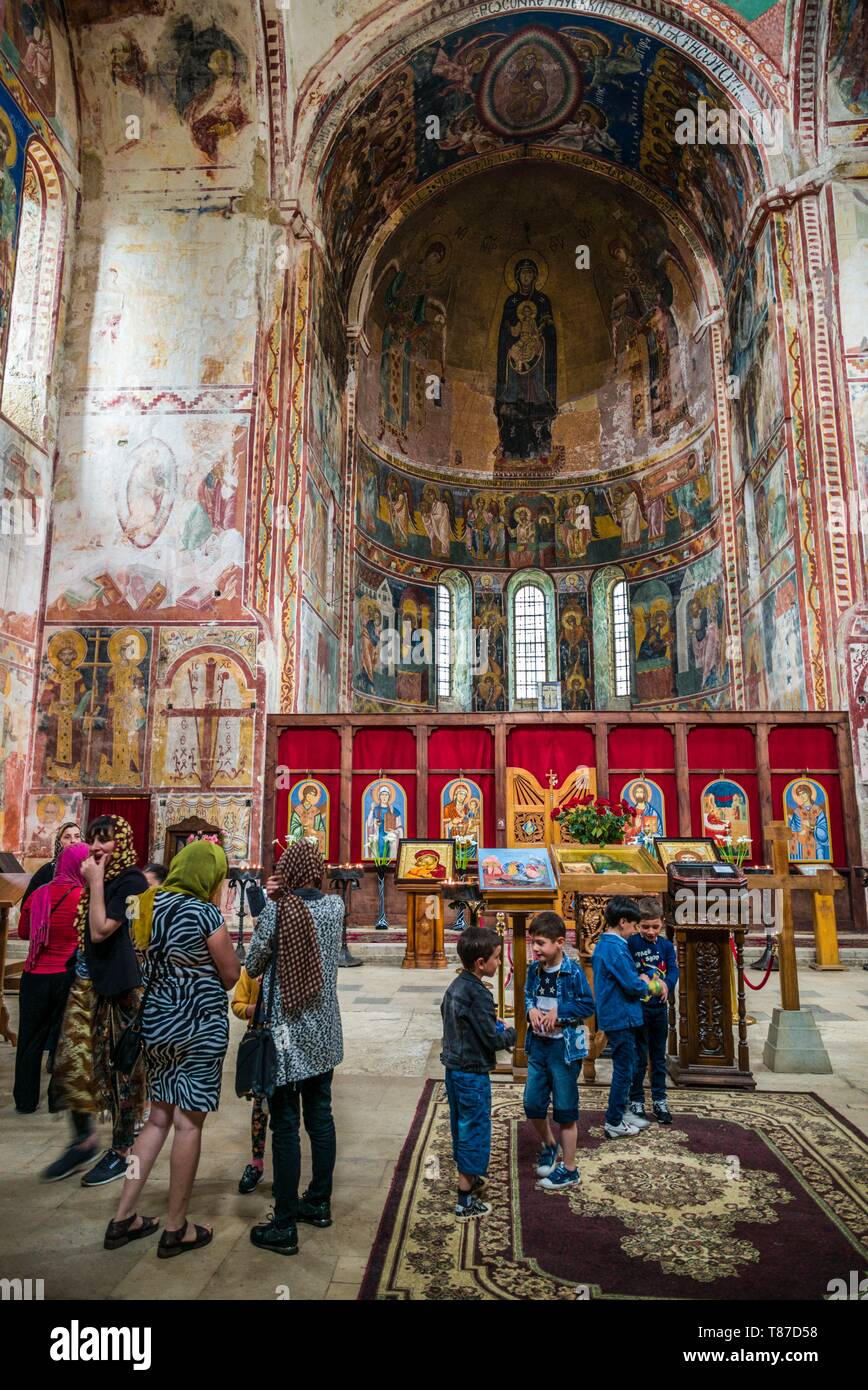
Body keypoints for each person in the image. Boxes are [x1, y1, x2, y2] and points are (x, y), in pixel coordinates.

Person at [104, 841, 240, 1255]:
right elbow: (231, 973)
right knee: (187, 1124)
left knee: (156, 1119)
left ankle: (123, 1215)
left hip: (157, 1023)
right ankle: (177, 1226)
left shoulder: (145, 906)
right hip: (199, 1025)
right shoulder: (204, 912)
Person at [245, 841, 345, 1256]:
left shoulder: (275, 911)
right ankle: (318, 1202)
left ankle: (284, 1222)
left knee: (284, 1124)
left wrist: (270, 904)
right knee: (320, 1115)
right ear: (317, 870)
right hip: (323, 1030)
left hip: (286, 1034)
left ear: (285, 871)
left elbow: (252, 965)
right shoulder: (335, 908)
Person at [45, 816, 149, 1185]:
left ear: (121, 842)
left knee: (124, 1074)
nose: (97, 846)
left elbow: (102, 930)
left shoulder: (131, 881)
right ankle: (83, 1139)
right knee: (71, 1065)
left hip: (118, 990)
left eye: (106, 839)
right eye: (93, 839)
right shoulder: (98, 879)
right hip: (85, 984)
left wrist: (94, 882)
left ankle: (122, 1151)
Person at [440, 925, 516, 1221]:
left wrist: (487, 1020)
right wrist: (510, 1032)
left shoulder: (457, 986)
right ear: (480, 963)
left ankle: (470, 1177)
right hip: (472, 1072)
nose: (500, 962)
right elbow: (493, 1040)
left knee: (461, 1124)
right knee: (474, 1127)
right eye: (497, 958)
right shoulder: (479, 995)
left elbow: (460, 1023)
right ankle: (464, 1199)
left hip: (454, 1068)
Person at [14, 843, 89, 1114]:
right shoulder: (84, 897)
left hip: (34, 974)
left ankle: (25, 1100)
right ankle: (57, 1099)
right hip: (67, 975)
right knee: (63, 1038)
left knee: (29, 1039)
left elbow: (24, 933)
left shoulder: (37, 895)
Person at [523, 912, 594, 1190]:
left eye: (540, 943)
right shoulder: (533, 969)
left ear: (560, 942)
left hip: (563, 1050)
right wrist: (530, 1008)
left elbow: (587, 1006)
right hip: (538, 1046)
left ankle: (570, 1168)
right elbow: (529, 994)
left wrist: (560, 1012)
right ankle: (550, 1145)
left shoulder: (573, 971)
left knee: (565, 1108)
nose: (535, 948)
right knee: (532, 1103)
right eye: (533, 943)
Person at [592, 896, 655, 1140]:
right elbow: (631, 984)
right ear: (622, 922)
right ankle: (614, 1119)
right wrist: (645, 983)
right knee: (624, 1068)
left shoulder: (607, 945)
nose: (636, 931)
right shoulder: (615, 948)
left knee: (628, 1065)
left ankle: (621, 1111)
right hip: (621, 1015)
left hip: (618, 1013)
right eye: (634, 925)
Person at [627, 899, 677, 1126]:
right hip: (639, 1008)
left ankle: (659, 1099)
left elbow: (674, 969)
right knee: (638, 1057)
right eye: (645, 926)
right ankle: (636, 1099)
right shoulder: (631, 944)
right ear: (637, 925)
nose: (650, 931)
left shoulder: (666, 946)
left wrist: (668, 983)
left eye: (655, 927)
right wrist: (639, 978)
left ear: (662, 924)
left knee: (658, 1057)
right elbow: (627, 969)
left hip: (659, 1009)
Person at [232, 966, 267, 1194]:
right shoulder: (253, 969)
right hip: (261, 1044)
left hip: (286, 1042)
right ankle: (256, 1164)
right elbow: (237, 1004)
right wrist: (252, 1010)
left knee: (286, 1112)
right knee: (259, 1107)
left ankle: (286, 1168)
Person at [20, 821, 82, 908]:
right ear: (59, 843)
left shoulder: (88, 869)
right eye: (67, 837)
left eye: (77, 836)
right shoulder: (47, 871)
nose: (73, 841)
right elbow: (26, 905)